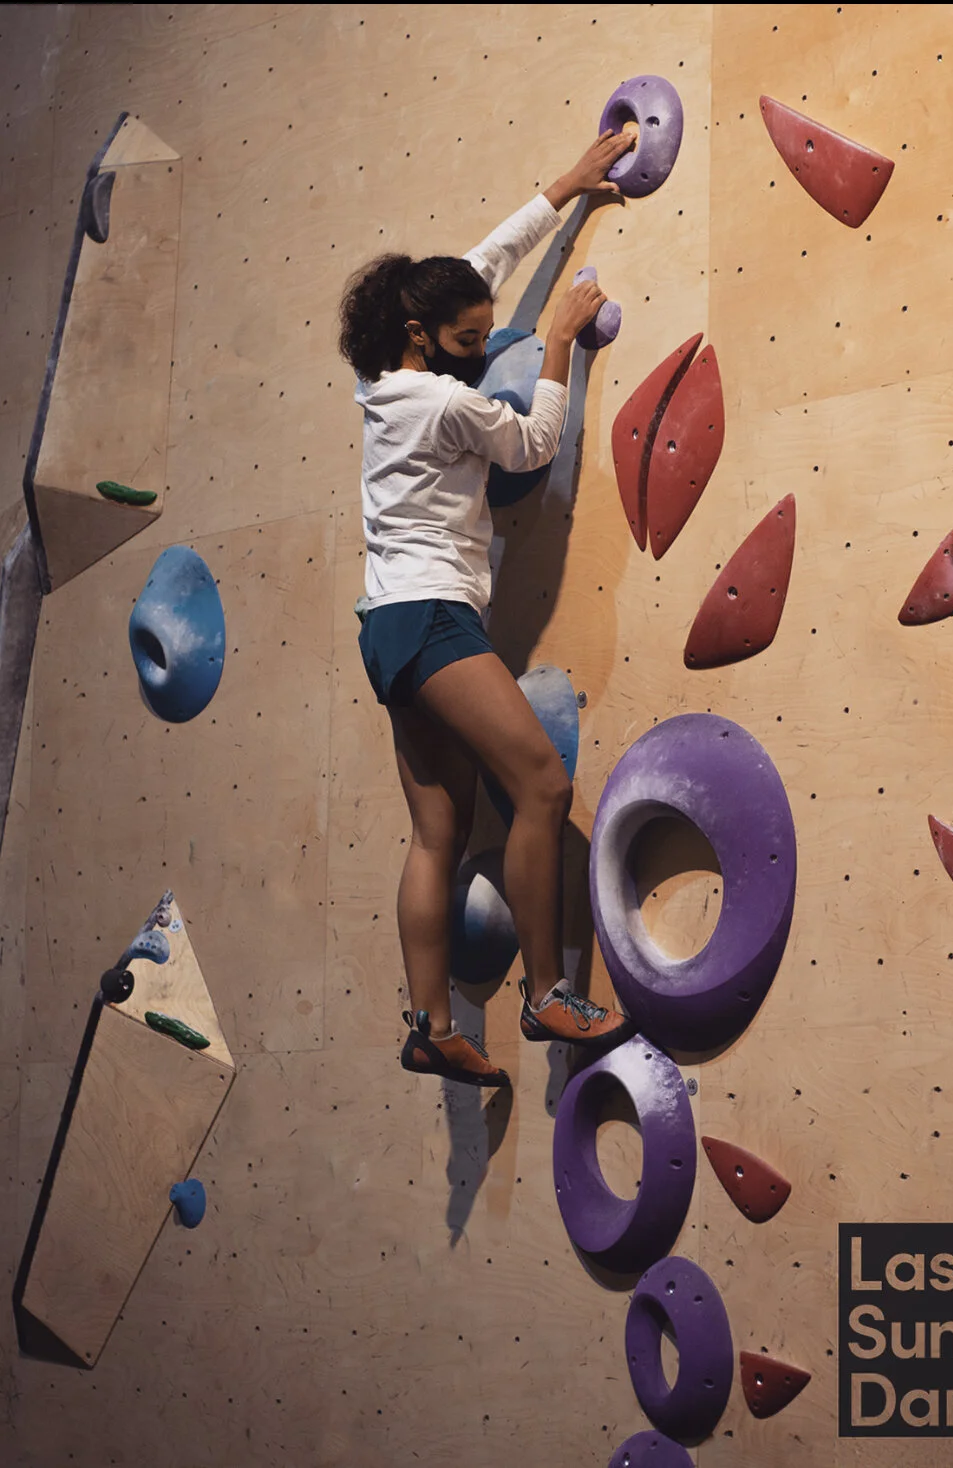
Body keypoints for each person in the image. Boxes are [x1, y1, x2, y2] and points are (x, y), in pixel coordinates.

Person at [339, 131, 636, 1088]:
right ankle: (549, 994)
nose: (480, 353)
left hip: (386, 627)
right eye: (471, 343)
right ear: (426, 339)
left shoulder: (385, 377)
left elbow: (481, 266)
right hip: (432, 619)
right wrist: (556, 344)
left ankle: (429, 1023)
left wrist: (566, 189)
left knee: (438, 834)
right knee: (544, 789)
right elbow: (532, 443)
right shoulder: (444, 405)